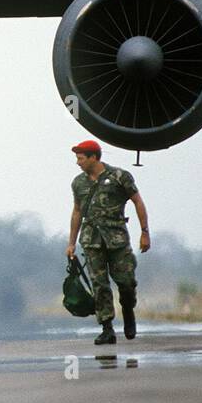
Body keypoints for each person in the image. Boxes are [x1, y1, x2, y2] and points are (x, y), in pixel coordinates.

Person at [66, 140, 150, 345]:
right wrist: (71, 242)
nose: (78, 163)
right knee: (99, 285)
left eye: (81, 158)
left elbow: (138, 201)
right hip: (92, 241)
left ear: (93, 157)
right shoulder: (78, 183)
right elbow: (77, 211)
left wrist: (144, 232)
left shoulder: (119, 177)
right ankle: (107, 328)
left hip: (117, 240)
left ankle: (128, 310)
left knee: (126, 282)